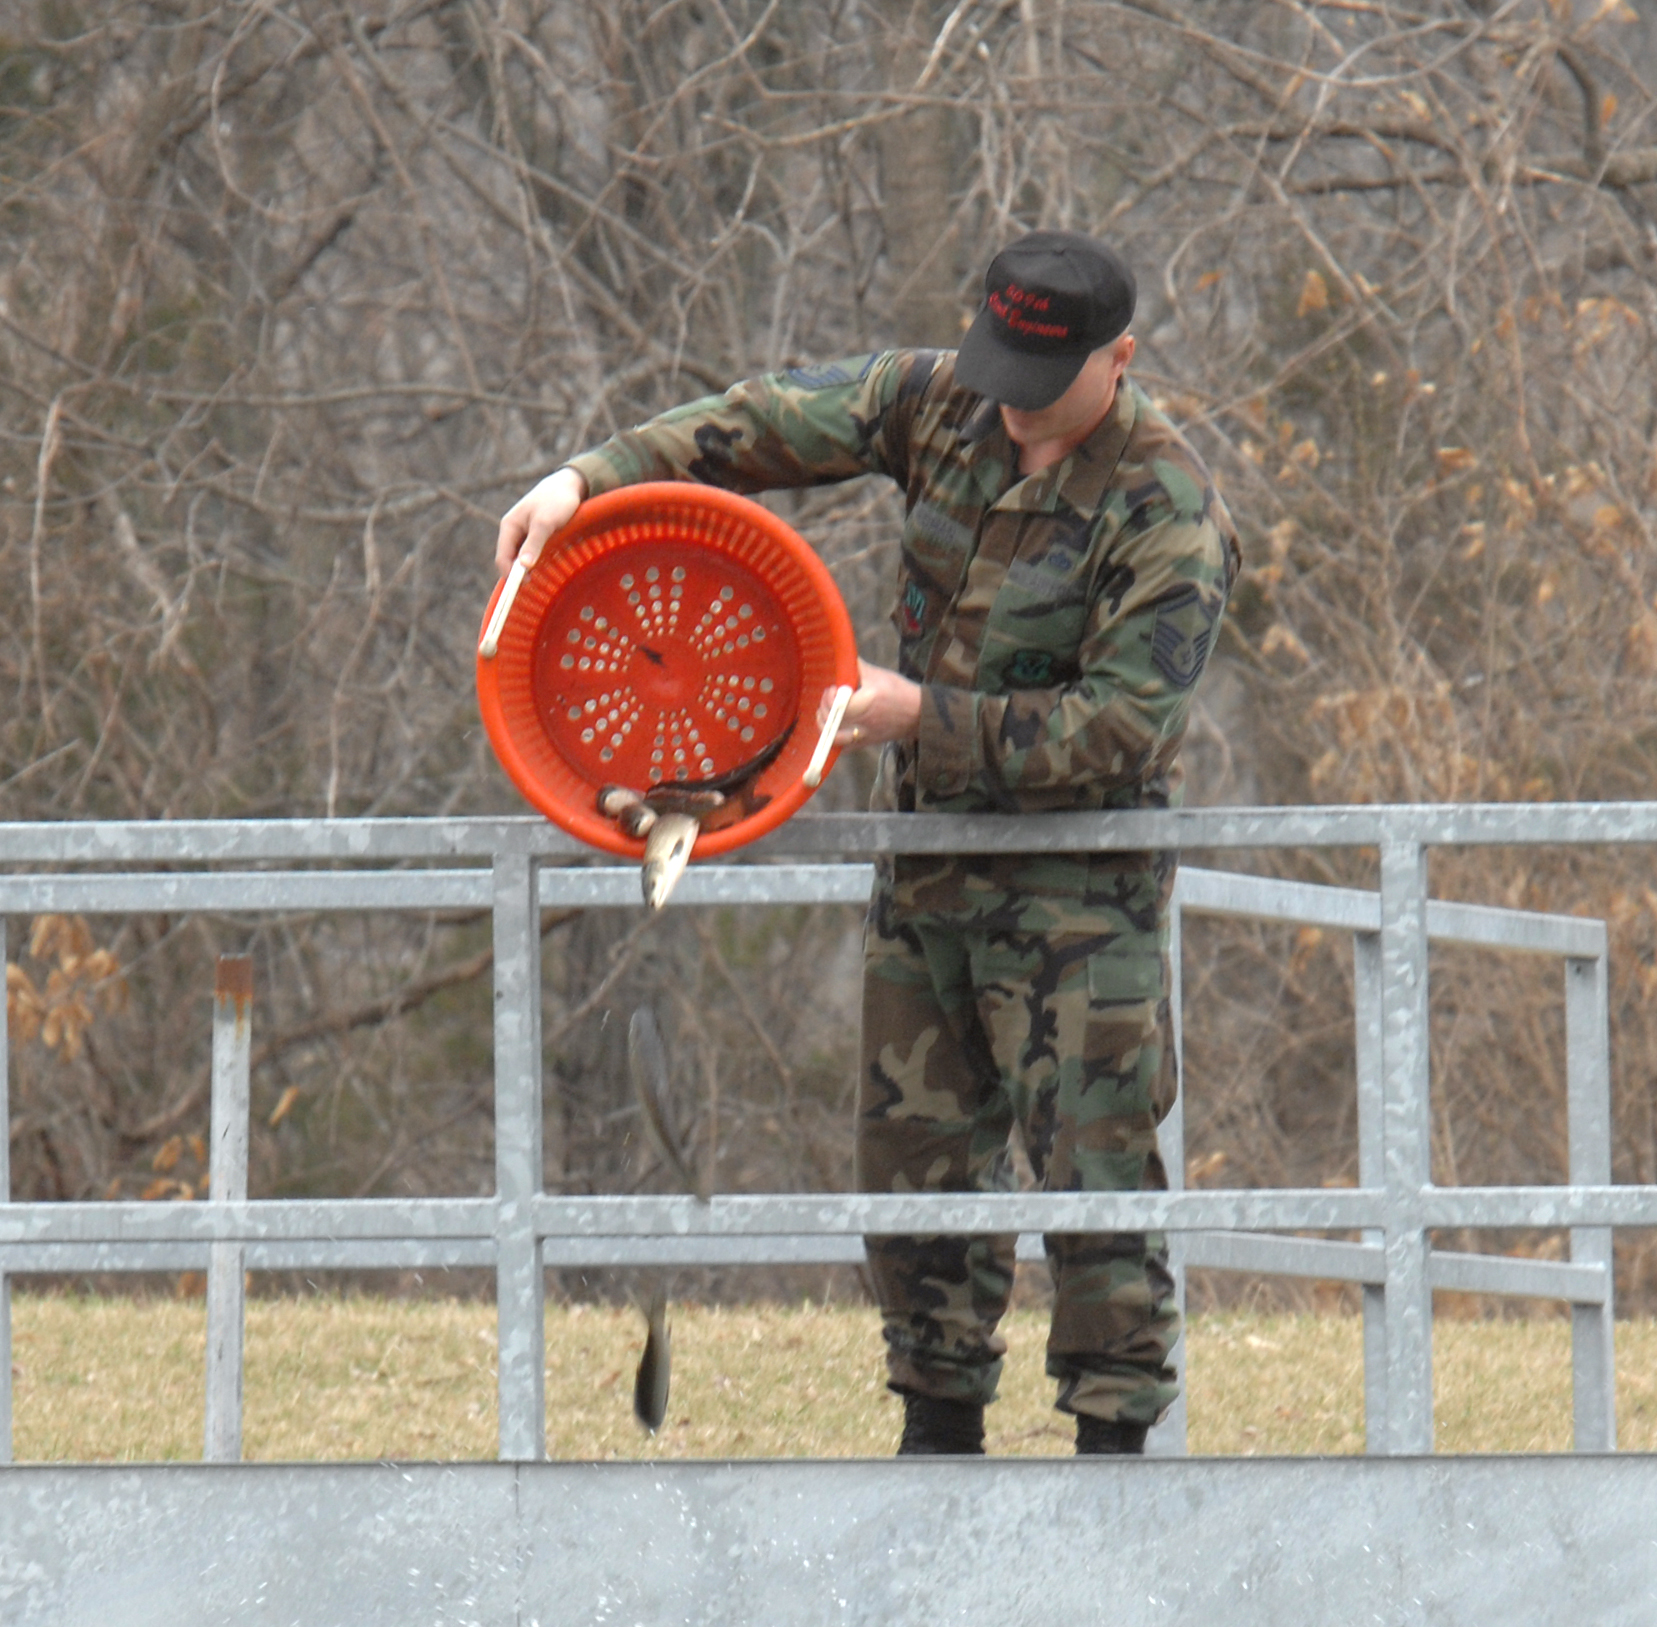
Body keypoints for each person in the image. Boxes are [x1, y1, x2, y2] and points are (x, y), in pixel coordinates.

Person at [496, 229, 1238, 1457]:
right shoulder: (946, 402)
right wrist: (589, 476)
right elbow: (767, 422)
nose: (1015, 415)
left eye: (1043, 392)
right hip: (926, 882)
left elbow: (1121, 728)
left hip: (1077, 906)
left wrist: (915, 718)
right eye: (1002, 377)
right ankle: (935, 1445)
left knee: (1094, 1188)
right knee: (915, 1183)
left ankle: (1118, 1476)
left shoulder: (1167, 510)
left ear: (1120, 360)